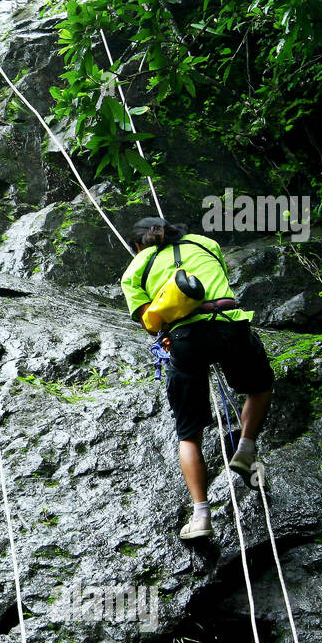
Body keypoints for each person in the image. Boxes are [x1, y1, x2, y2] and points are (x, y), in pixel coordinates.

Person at [119, 217, 275, 540]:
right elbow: (220, 283)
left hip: (187, 340)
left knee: (189, 433)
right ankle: (246, 449)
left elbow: (151, 324)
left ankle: (201, 516)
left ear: (138, 246)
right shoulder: (207, 244)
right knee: (260, 386)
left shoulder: (136, 269)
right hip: (230, 325)